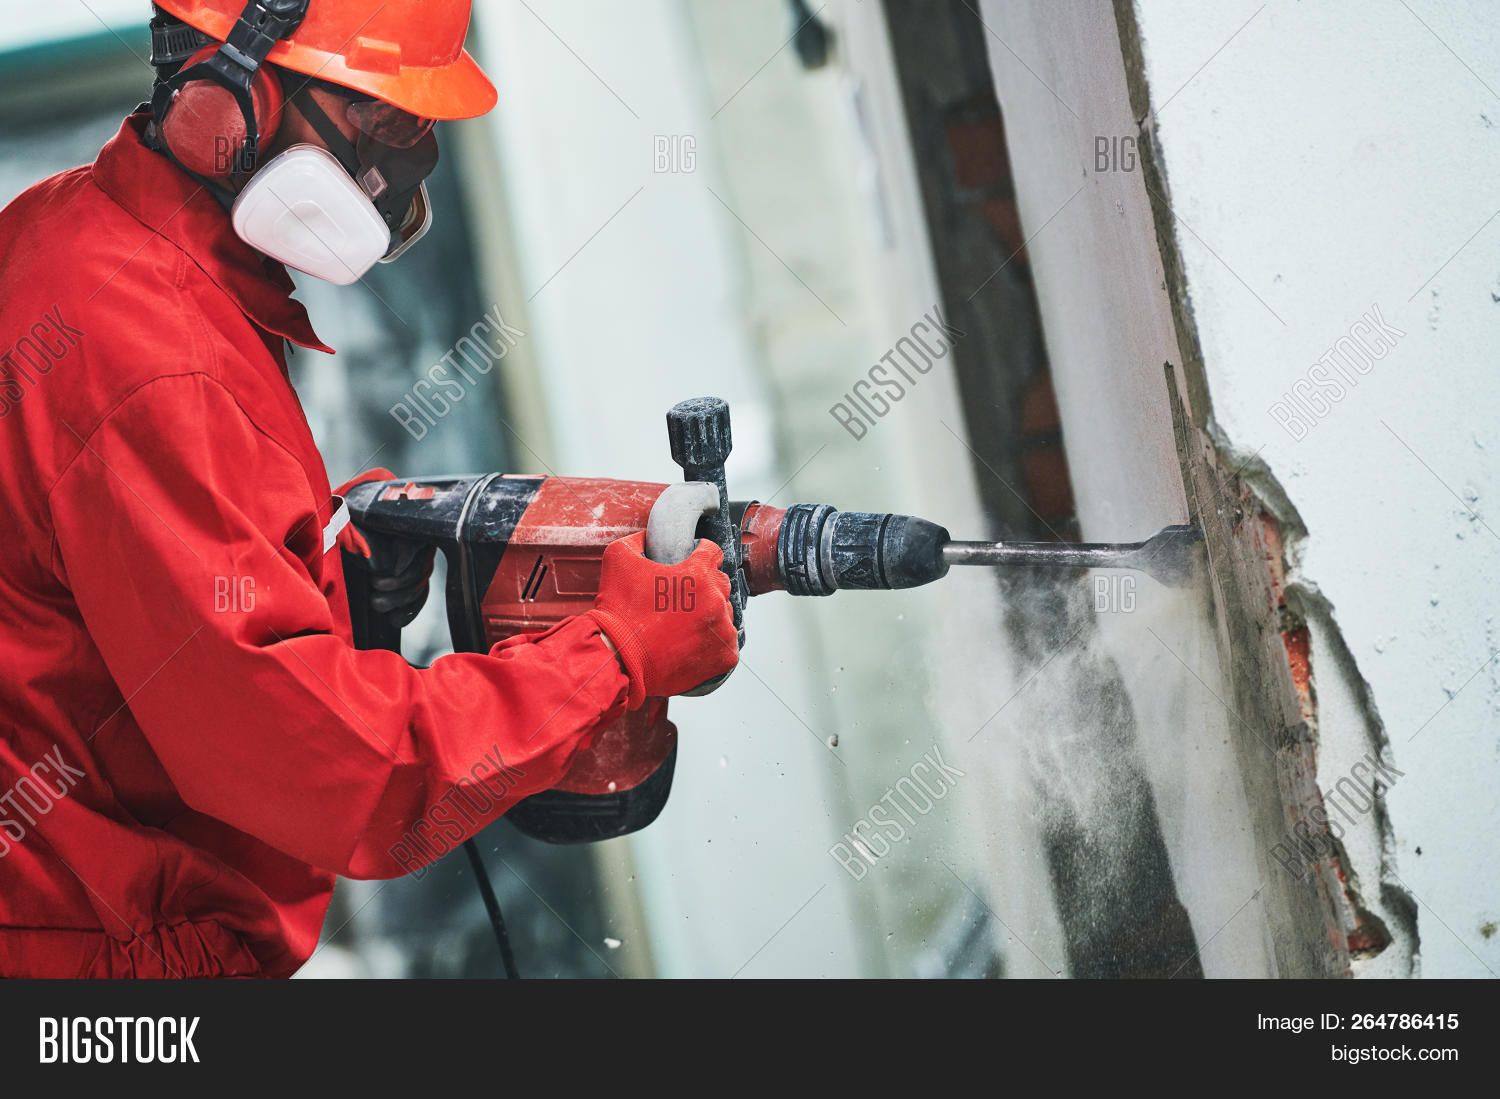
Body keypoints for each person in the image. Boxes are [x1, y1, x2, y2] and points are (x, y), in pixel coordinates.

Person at [0, 0, 737, 978]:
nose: (407, 160)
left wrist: (324, 576)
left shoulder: (82, 235)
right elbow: (325, 774)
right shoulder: (147, 352)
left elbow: (120, 621)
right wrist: (612, 654)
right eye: (382, 114)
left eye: (418, 120)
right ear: (230, 95)